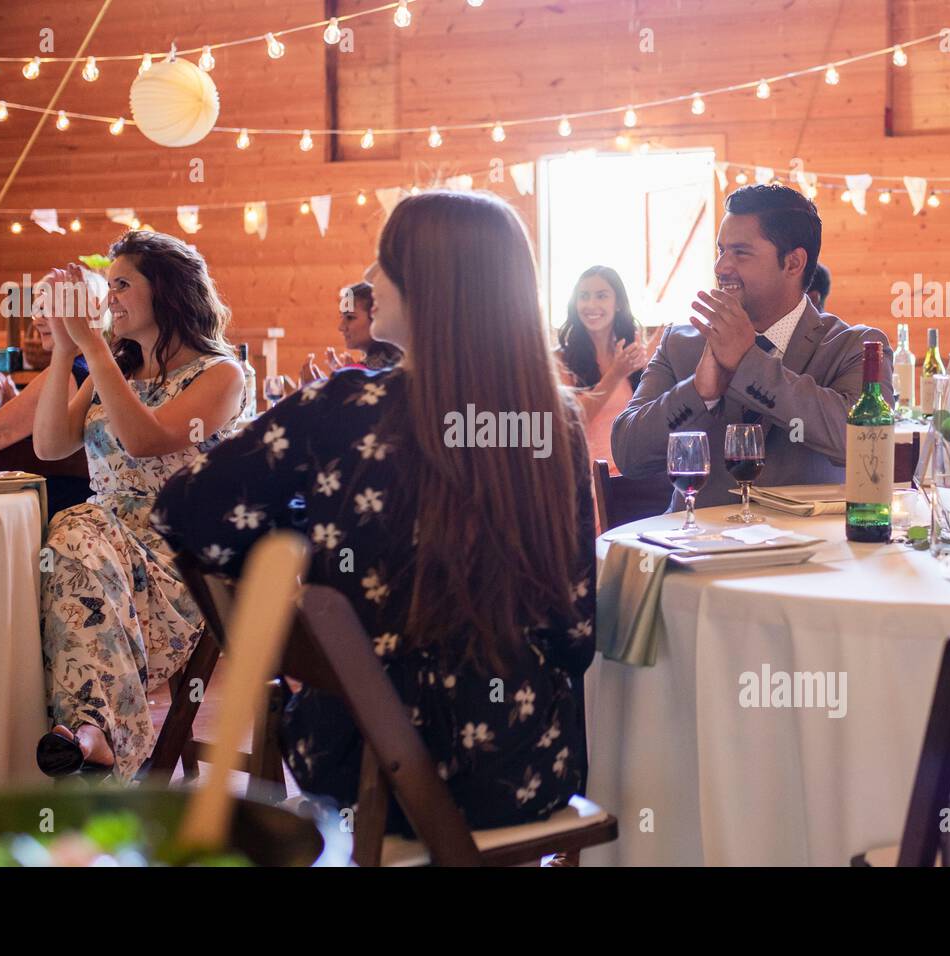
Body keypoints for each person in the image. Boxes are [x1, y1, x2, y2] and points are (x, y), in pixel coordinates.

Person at [154, 190, 596, 831]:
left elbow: (185, 509)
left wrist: (306, 571)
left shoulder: (342, 409)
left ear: (431, 285)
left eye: (382, 261)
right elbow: (575, 639)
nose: (366, 280)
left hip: (360, 763)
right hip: (521, 770)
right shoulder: (556, 424)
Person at [32, 231, 246, 779]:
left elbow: (146, 439)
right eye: (109, 287)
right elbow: (52, 445)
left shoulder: (219, 374)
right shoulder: (119, 371)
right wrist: (64, 349)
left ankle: (95, 735)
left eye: (122, 285)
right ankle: (94, 732)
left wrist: (93, 346)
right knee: (66, 547)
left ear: (168, 292)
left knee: (72, 529)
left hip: (180, 562)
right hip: (106, 552)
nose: (110, 300)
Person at [612, 184, 892, 509]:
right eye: (721, 251)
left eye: (740, 252)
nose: (721, 267)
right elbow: (628, 454)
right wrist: (699, 392)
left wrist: (748, 363)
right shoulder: (680, 343)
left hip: (816, 553)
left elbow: (865, 447)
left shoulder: (856, 347)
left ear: (793, 263)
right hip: (698, 550)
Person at [0, 271, 107, 517]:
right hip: (86, 505)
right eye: (37, 308)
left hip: (48, 513)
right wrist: (10, 395)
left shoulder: (65, 374)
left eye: (49, 308)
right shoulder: (100, 370)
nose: (37, 320)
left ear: (84, 310)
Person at [554, 266, 655, 474]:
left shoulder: (634, 354)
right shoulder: (560, 359)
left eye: (601, 296)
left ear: (617, 303)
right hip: (585, 479)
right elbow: (573, 421)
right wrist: (616, 374)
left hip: (632, 477)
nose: (591, 305)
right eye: (584, 296)